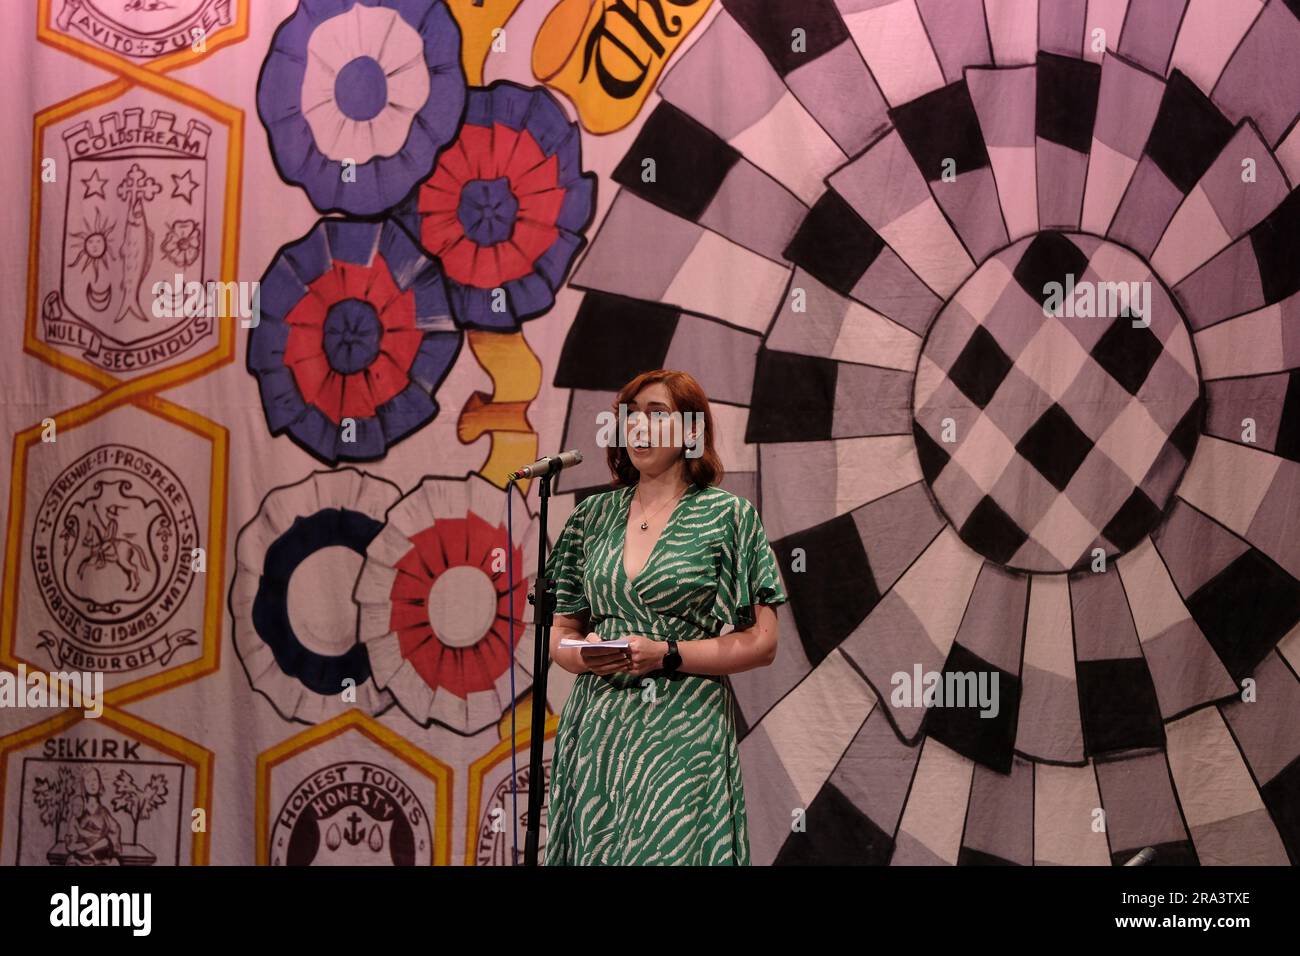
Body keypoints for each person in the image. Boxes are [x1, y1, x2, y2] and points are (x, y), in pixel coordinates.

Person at [542, 368, 788, 865]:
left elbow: (763, 643)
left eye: (657, 415)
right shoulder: (591, 517)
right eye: (630, 417)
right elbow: (560, 635)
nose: (638, 427)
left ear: (692, 431)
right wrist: (585, 656)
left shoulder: (728, 516)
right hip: (599, 729)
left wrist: (667, 655)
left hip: (682, 728)